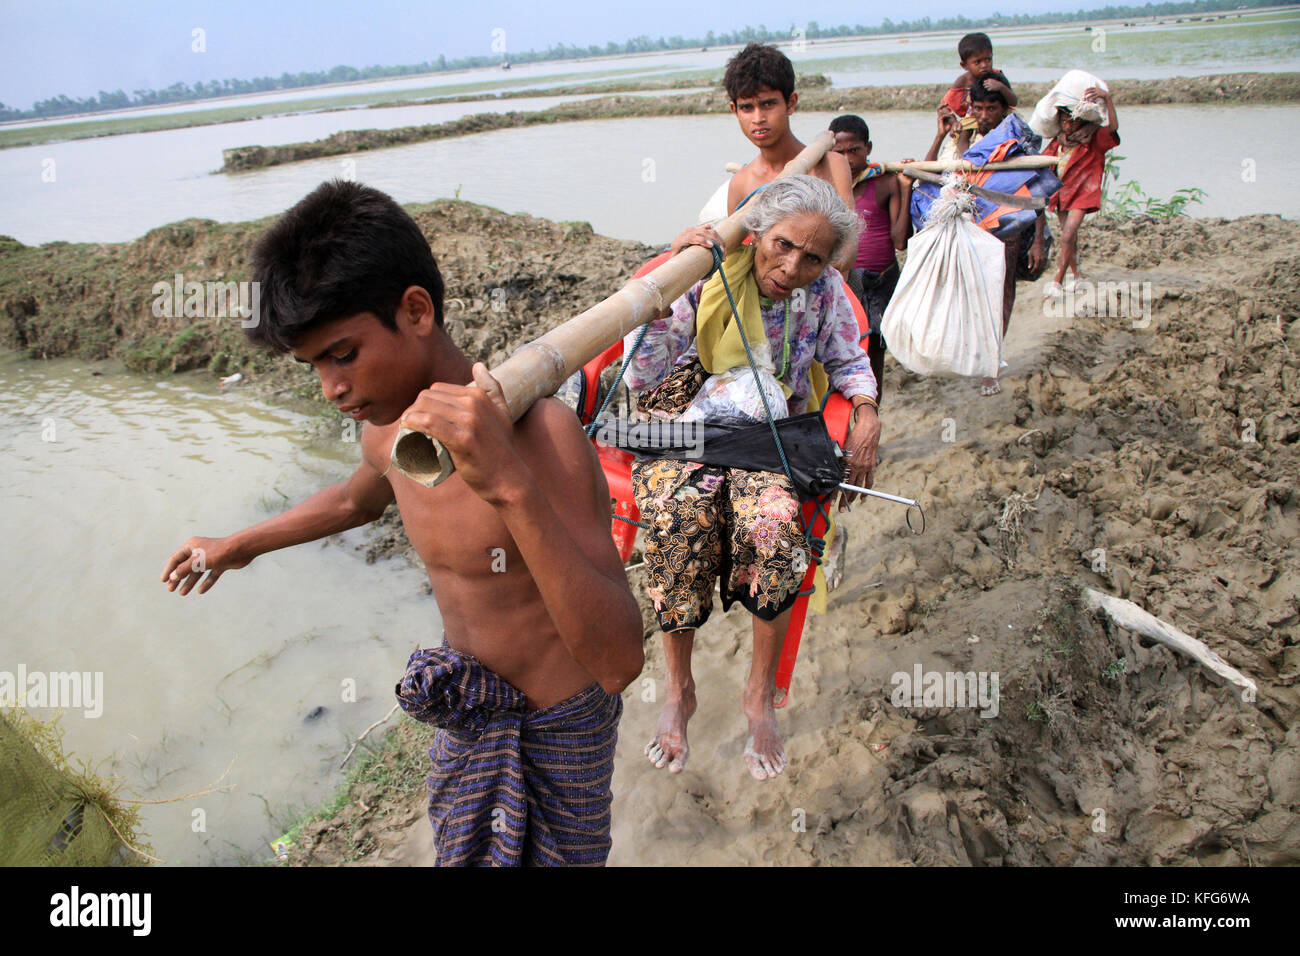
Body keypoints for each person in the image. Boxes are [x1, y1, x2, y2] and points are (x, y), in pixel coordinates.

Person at [159, 180, 644, 866]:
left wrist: (508, 484)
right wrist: (239, 544)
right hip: (470, 710)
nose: (330, 388)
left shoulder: (542, 436)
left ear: (416, 310)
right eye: (313, 366)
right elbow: (356, 502)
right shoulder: (388, 437)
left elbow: (620, 659)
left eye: (343, 353)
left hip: (557, 727)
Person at [621, 176, 880, 782]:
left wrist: (865, 410)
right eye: (783, 245)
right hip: (690, 427)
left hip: (770, 433)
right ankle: (679, 689)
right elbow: (643, 377)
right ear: (757, 232)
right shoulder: (708, 271)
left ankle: (758, 694)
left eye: (813, 257)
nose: (792, 266)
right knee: (677, 520)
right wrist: (666, 280)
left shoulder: (826, 293)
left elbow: (847, 357)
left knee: (776, 527)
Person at [715, 42, 855, 274]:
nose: (758, 118)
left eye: (768, 104)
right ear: (734, 110)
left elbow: (847, 250)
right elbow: (740, 260)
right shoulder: (741, 183)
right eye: (747, 108)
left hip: (826, 300)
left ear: (790, 103)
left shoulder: (830, 164)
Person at [962, 77, 1047, 395]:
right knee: (974, 295)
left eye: (991, 108)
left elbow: (1037, 189)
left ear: (1004, 108)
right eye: (979, 108)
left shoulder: (1016, 141)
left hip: (1009, 226)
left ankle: (991, 365)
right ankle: (978, 354)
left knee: (1002, 295)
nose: (985, 115)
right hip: (974, 225)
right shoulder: (967, 136)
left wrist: (1037, 239)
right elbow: (958, 174)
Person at [830, 113, 908, 405]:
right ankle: (839, 427)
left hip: (881, 281)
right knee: (841, 353)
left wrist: (905, 187)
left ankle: (870, 417)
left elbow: (900, 240)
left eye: (855, 150)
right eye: (840, 152)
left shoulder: (886, 183)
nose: (848, 158)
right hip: (846, 283)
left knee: (874, 354)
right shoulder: (828, 187)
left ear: (869, 148)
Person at [1042, 86, 1120, 298]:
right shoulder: (1058, 142)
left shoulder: (1093, 139)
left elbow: (1113, 127)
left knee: (1067, 234)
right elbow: (1043, 162)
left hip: (1082, 194)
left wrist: (1107, 98)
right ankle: (1078, 278)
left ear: (1083, 121)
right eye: (1064, 121)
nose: (1068, 125)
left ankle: (1057, 281)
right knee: (1069, 238)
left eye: (1073, 120)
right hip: (1061, 194)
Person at [931, 32, 1018, 163]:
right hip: (973, 115)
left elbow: (1013, 101)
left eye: (988, 59)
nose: (984, 65)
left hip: (1000, 114)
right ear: (964, 65)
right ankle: (965, 160)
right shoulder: (963, 81)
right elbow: (944, 107)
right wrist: (954, 123)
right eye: (977, 62)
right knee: (964, 131)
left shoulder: (997, 76)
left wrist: (1001, 87)